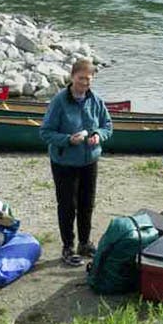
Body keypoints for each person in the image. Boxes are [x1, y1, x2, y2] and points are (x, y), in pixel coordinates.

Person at [39, 58, 113, 267]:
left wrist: (99, 135)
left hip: (89, 160)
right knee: (67, 205)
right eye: (81, 79)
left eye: (88, 79)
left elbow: (107, 124)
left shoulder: (96, 100)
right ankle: (68, 246)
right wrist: (67, 140)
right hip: (64, 162)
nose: (84, 83)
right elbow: (45, 132)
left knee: (86, 204)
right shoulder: (59, 102)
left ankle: (85, 243)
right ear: (72, 77)